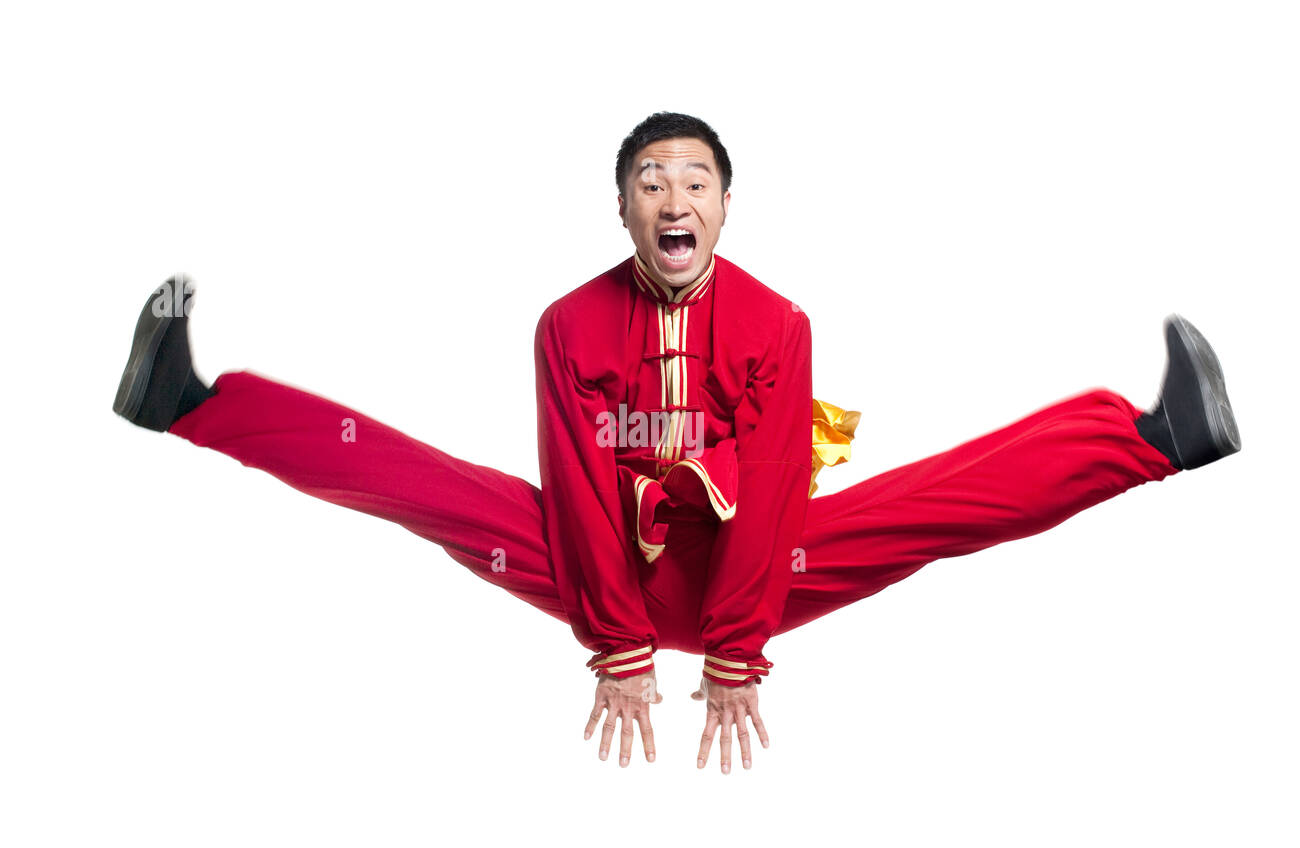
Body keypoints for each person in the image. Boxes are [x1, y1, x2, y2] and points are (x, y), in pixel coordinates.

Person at [112, 112, 1241, 774]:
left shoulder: (777, 323)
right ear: (620, 209)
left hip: (751, 567)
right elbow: (572, 480)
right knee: (420, 482)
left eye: (693, 179)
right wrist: (617, 642)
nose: (672, 196)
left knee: (929, 505)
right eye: (649, 181)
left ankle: (1157, 435)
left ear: (726, 203)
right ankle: (185, 399)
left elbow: (769, 491)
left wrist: (735, 647)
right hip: (593, 557)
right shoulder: (567, 322)